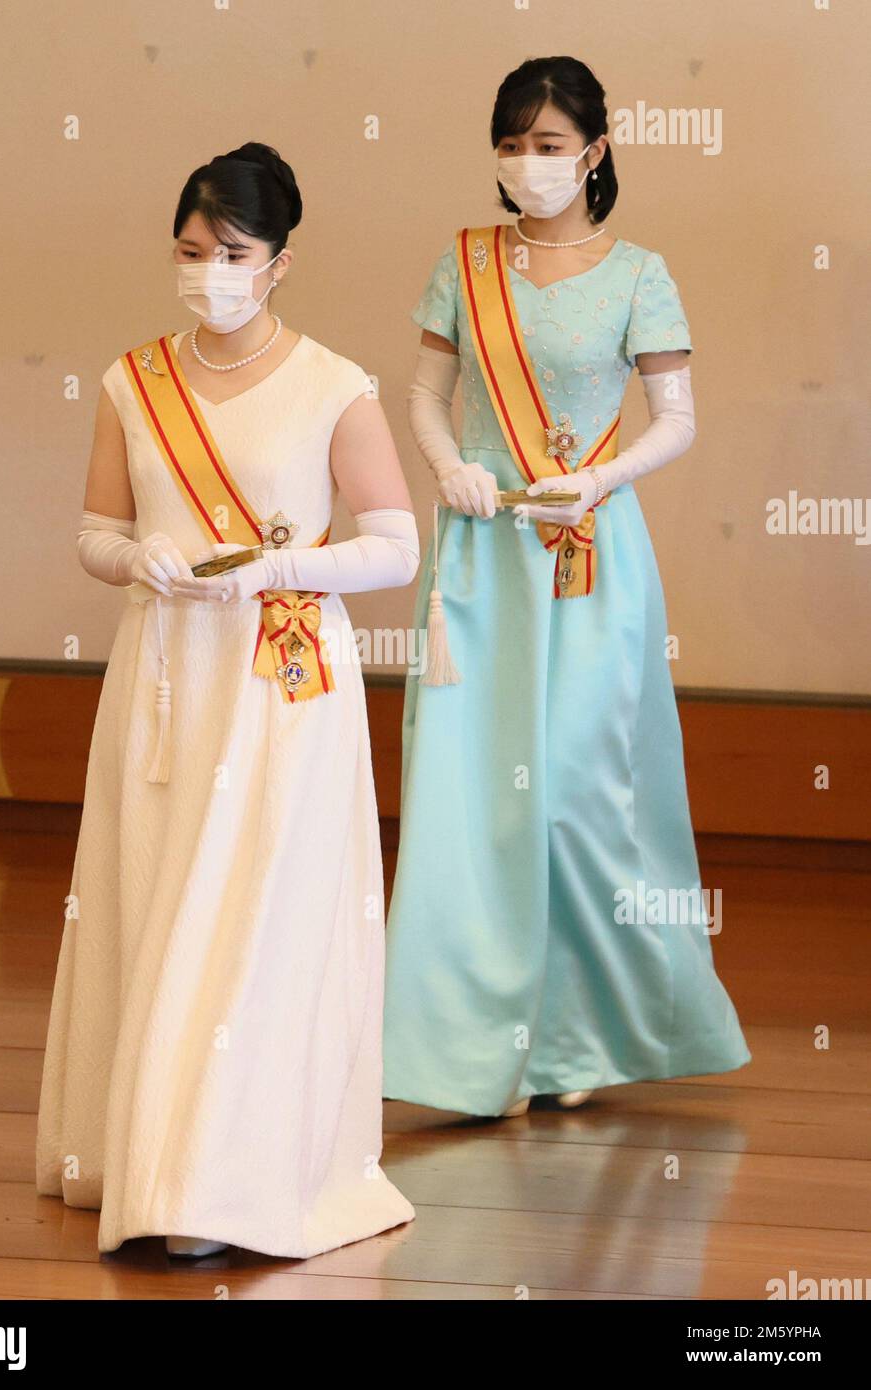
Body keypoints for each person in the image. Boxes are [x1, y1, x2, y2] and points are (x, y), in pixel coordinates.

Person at [35, 142, 418, 1258]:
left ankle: (215, 1175)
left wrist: (278, 569)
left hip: (280, 678)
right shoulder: (131, 382)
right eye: (192, 251)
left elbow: (394, 544)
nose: (210, 271)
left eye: (234, 253)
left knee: (255, 913)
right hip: (164, 675)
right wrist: (131, 559)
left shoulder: (333, 385)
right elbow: (93, 532)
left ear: (280, 262)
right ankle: (140, 1152)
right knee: (158, 896)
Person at [382, 59, 751, 1119]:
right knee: (474, 796)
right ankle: (462, 1049)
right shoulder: (466, 263)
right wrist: (448, 465)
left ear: (594, 150)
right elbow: (423, 392)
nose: (527, 162)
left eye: (548, 143)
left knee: (585, 796)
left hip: (590, 554)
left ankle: (581, 1034)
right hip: (483, 553)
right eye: (512, 142)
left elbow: (678, 421)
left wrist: (597, 477)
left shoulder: (641, 272)